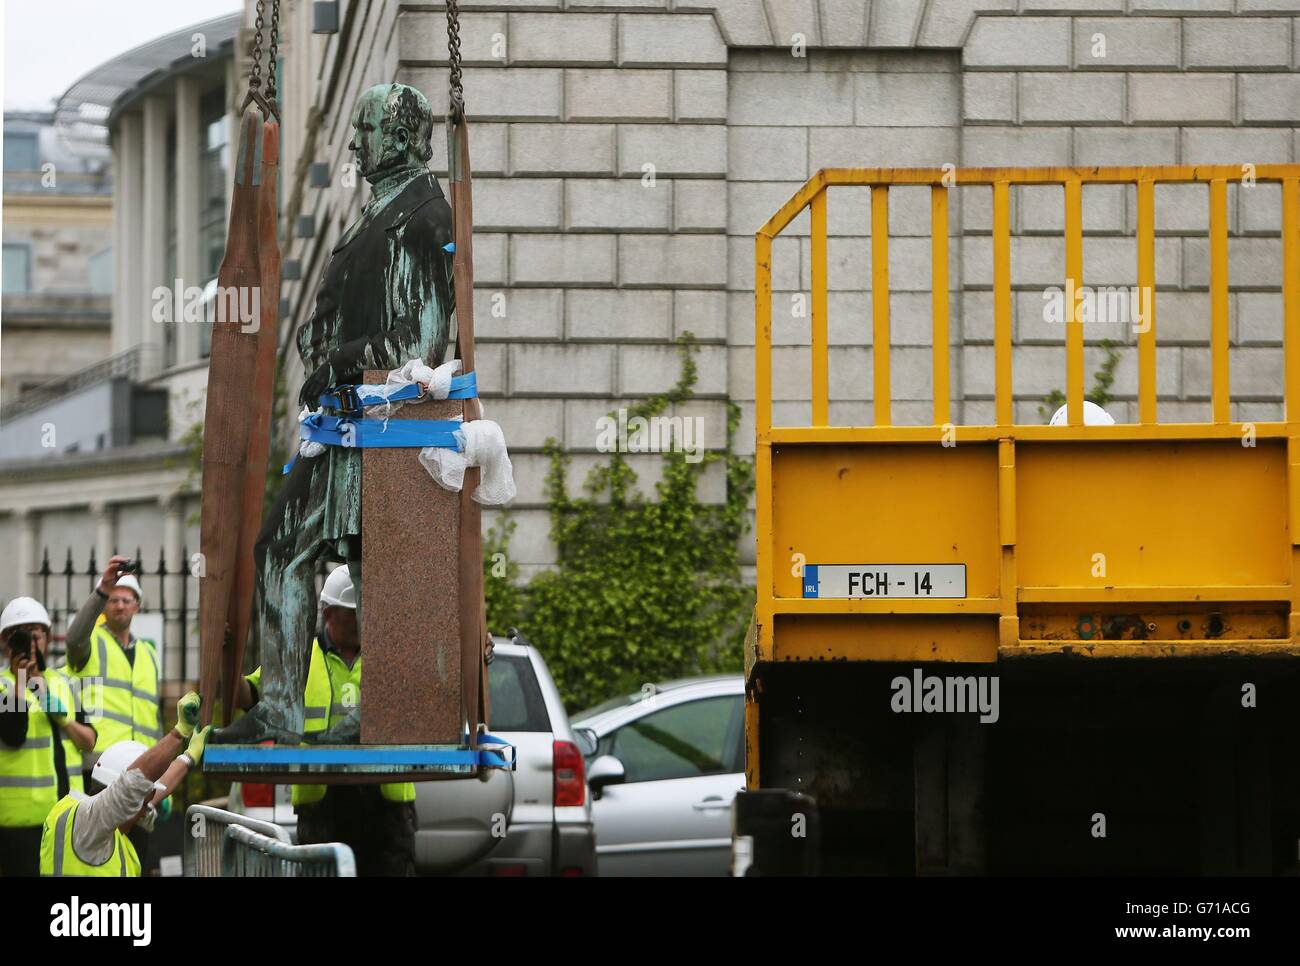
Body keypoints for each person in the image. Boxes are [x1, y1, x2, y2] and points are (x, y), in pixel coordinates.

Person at [216, 82, 455, 744]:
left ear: (403, 137)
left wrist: (333, 362)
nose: (355, 142)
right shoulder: (374, 214)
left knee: (363, 565)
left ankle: (381, 712)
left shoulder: (426, 219)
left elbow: (420, 344)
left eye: (367, 130)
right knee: (286, 549)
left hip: (387, 429)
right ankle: (283, 710)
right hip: (346, 428)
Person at [235, 566, 416, 875]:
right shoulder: (300, 658)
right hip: (323, 804)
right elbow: (247, 696)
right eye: (354, 611)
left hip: (386, 802)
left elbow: (440, 685)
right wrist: (226, 657)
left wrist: (476, 652)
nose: (364, 619)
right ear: (328, 612)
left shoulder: (391, 655)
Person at [64, 555, 164, 867]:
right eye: (114, 600)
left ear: (137, 605)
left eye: (127, 600)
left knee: (136, 859)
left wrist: (161, 779)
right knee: (101, 860)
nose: (120, 605)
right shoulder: (90, 642)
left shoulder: (149, 653)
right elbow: (73, 637)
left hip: (142, 775)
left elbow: (154, 720)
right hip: (101, 775)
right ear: (107, 605)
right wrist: (101, 590)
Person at [40, 692, 209, 877]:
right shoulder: (85, 823)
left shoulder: (106, 827)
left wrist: (189, 757)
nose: (147, 811)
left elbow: (150, 792)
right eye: (142, 804)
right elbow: (134, 785)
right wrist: (178, 733)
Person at [0, 597, 97, 876]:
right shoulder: (3, 686)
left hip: (69, 818)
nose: (30, 640)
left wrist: (63, 717)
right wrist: (22, 682)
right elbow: (13, 735)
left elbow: (88, 741)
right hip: (20, 824)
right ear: (7, 641)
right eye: (21, 633)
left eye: (36, 632)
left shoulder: (63, 683)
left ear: (46, 637)